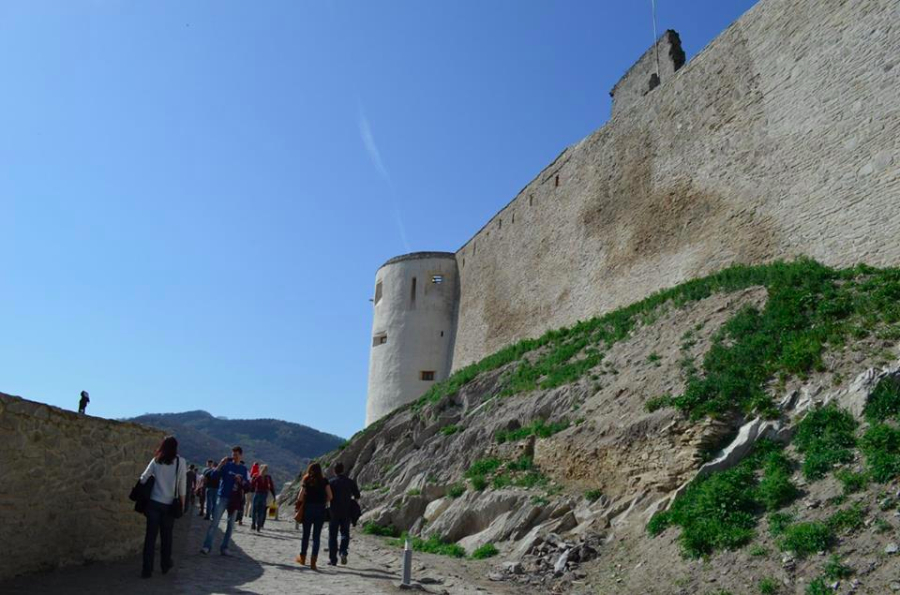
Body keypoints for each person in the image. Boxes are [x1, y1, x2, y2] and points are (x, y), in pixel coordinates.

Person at [138, 436, 187, 579]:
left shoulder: (156, 460)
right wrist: (183, 503)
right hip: (169, 506)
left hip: (153, 503)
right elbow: (182, 485)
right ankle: (165, 564)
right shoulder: (180, 462)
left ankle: (147, 570)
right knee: (166, 537)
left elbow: (143, 478)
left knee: (150, 538)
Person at [201, 446, 250, 556]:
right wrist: (220, 465)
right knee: (214, 523)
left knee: (230, 525)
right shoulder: (226, 466)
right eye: (233, 454)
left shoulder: (244, 469)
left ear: (241, 455)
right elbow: (213, 476)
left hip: (234, 500)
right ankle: (207, 546)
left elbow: (247, 486)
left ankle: (224, 548)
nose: (234, 457)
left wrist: (241, 480)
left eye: (236, 455)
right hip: (222, 497)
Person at [294, 462, 332, 570]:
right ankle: (313, 562)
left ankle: (302, 558)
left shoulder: (306, 480)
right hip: (320, 509)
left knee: (306, 535)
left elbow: (300, 497)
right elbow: (330, 496)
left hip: (308, 509)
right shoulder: (324, 481)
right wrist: (323, 501)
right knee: (316, 537)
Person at [327, 462, 361, 566]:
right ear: (343, 470)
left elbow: (328, 497)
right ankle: (343, 552)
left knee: (332, 535)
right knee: (345, 533)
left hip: (333, 511)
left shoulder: (331, 482)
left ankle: (333, 560)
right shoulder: (350, 482)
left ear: (334, 470)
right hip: (346, 511)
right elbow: (357, 496)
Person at [250, 464, 276, 532]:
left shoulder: (257, 476)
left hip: (257, 493)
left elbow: (252, 484)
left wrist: (253, 479)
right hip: (264, 495)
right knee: (261, 511)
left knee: (254, 510)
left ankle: (253, 524)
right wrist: (274, 496)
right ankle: (259, 525)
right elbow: (272, 487)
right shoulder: (268, 477)